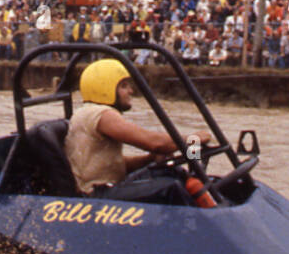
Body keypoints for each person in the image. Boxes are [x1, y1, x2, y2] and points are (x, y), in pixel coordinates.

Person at [64, 58, 210, 195]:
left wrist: (150, 159)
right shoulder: (101, 114)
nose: (131, 91)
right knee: (172, 188)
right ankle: (207, 216)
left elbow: (114, 164)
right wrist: (195, 138)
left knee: (174, 172)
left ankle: (203, 190)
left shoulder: (89, 112)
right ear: (105, 87)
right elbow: (156, 144)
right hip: (96, 195)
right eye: (124, 86)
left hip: (104, 189)